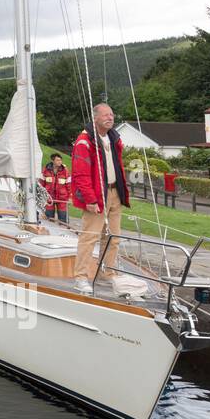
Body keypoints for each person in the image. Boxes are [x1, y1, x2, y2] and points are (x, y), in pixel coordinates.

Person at [71, 103, 147, 297]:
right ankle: (80, 277)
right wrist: (90, 199)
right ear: (95, 118)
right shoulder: (84, 141)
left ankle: (108, 272)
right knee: (89, 237)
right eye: (105, 115)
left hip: (114, 194)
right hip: (97, 196)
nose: (110, 118)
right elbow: (81, 175)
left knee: (113, 238)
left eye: (112, 114)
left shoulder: (113, 139)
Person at [39, 153, 71, 225]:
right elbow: (41, 184)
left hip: (62, 198)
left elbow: (69, 185)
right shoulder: (45, 170)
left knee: (63, 220)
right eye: (57, 160)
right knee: (49, 219)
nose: (60, 162)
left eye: (60, 160)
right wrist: (42, 196)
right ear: (53, 161)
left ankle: (63, 233)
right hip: (49, 198)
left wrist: (69, 197)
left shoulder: (65, 171)